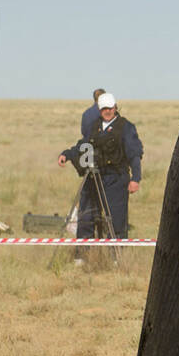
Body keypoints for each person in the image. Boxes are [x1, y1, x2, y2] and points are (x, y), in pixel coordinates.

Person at [57, 92, 143, 243]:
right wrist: (67, 155)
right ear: (99, 110)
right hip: (94, 177)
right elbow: (83, 145)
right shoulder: (94, 126)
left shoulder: (126, 127)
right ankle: (84, 256)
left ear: (115, 107)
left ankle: (116, 258)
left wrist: (135, 179)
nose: (108, 111)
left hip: (116, 179)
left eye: (110, 108)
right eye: (104, 109)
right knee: (87, 216)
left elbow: (134, 155)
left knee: (116, 219)